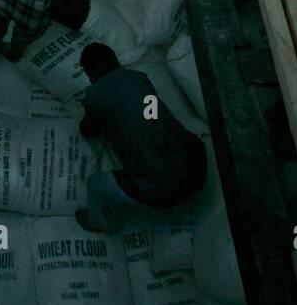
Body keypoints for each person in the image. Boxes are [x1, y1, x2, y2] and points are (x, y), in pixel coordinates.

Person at [75, 42, 207, 233]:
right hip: (197, 171)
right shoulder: (139, 79)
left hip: (163, 193)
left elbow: (89, 130)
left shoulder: (95, 95)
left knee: (95, 184)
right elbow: (152, 116)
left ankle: (99, 223)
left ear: (91, 75)